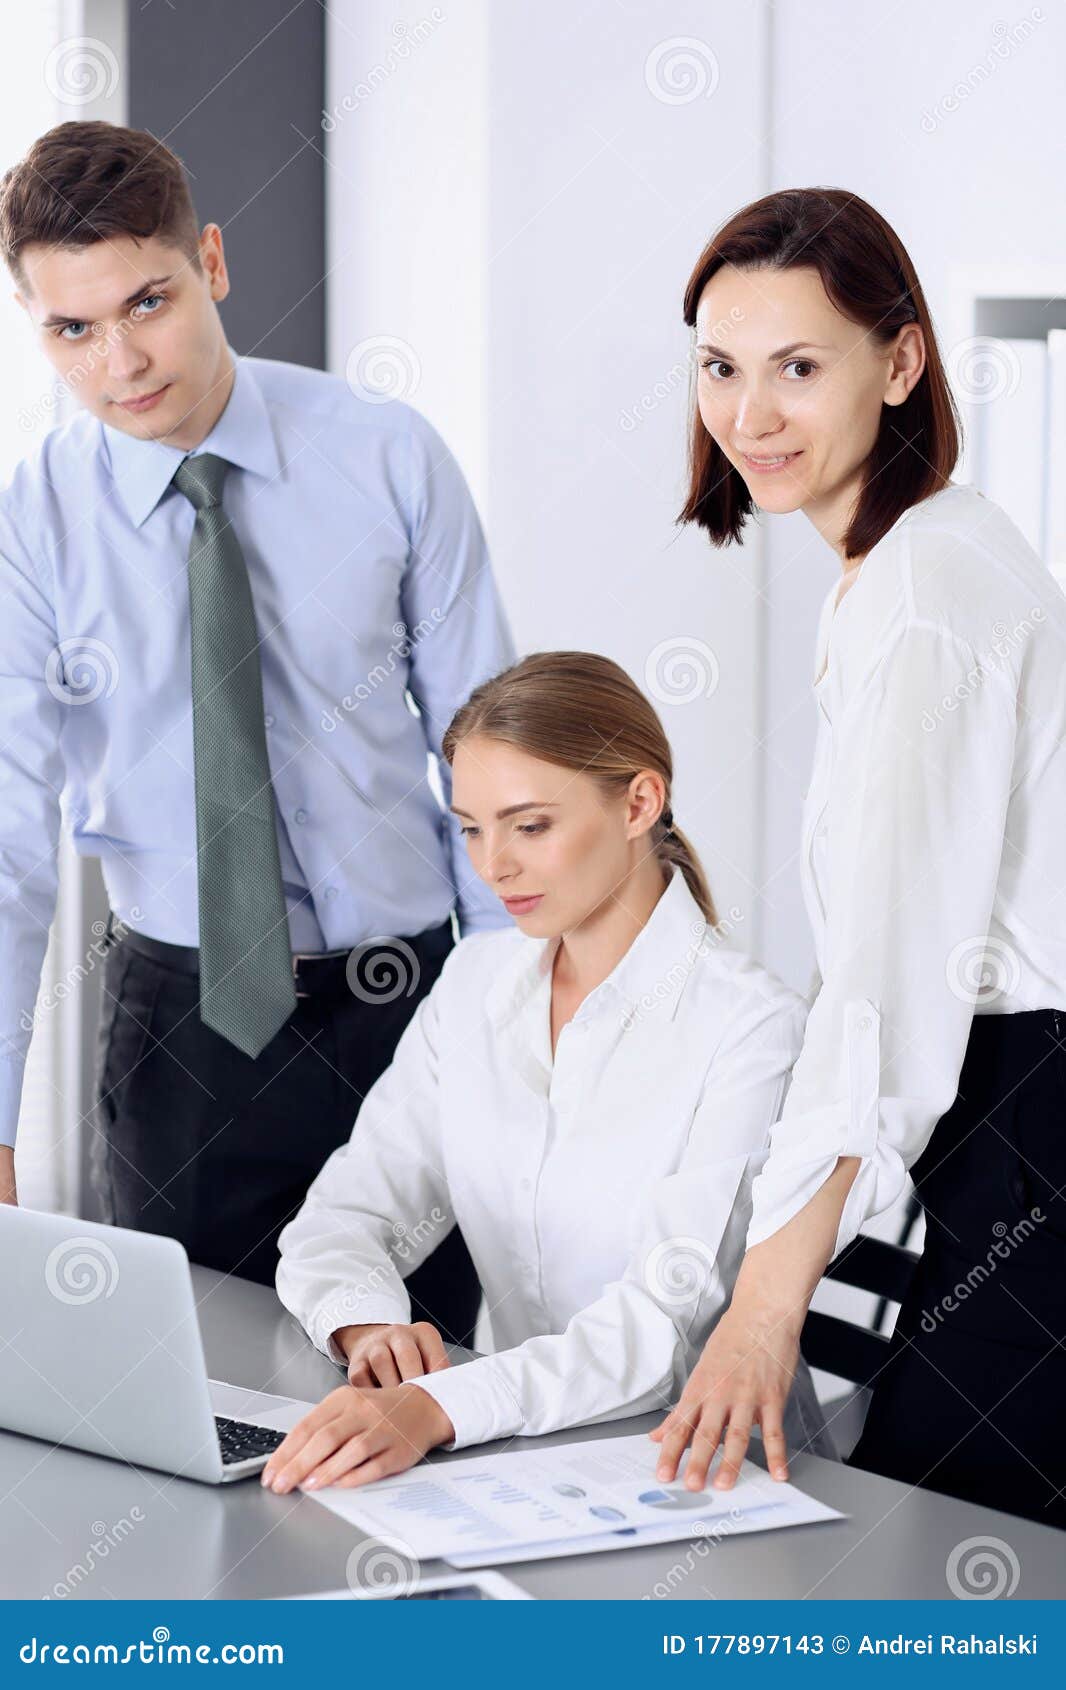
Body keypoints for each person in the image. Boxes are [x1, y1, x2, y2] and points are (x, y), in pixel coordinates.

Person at [0, 121, 515, 1336]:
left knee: (419, 1401)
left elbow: (494, 759)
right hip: (184, 1035)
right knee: (200, 1421)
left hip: (410, 1013)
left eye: (148, 301)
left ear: (212, 263)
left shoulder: (388, 456)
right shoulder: (34, 521)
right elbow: (10, 840)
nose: (120, 360)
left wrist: (511, 1028)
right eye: (72, 329)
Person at [652, 186, 1066, 1529]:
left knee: (946, 1552)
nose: (749, 413)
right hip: (1002, 1123)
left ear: (897, 365)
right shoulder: (924, 554)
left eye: (797, 367)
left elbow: (886, 995)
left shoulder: (920, 596)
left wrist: (762, 1309)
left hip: (1030, 1126)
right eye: (720, 366)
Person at [263, 652, 836, 1495]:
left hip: (708, 1471)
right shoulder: (475, 984)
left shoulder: (754, 1027)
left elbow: (660, 1330)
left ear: (640, 802)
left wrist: (437, 1406)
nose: (492, 866)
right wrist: (369, 1323)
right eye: (471, 827)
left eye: (529, 826)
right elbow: (345, 1214)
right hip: (517, 1459)